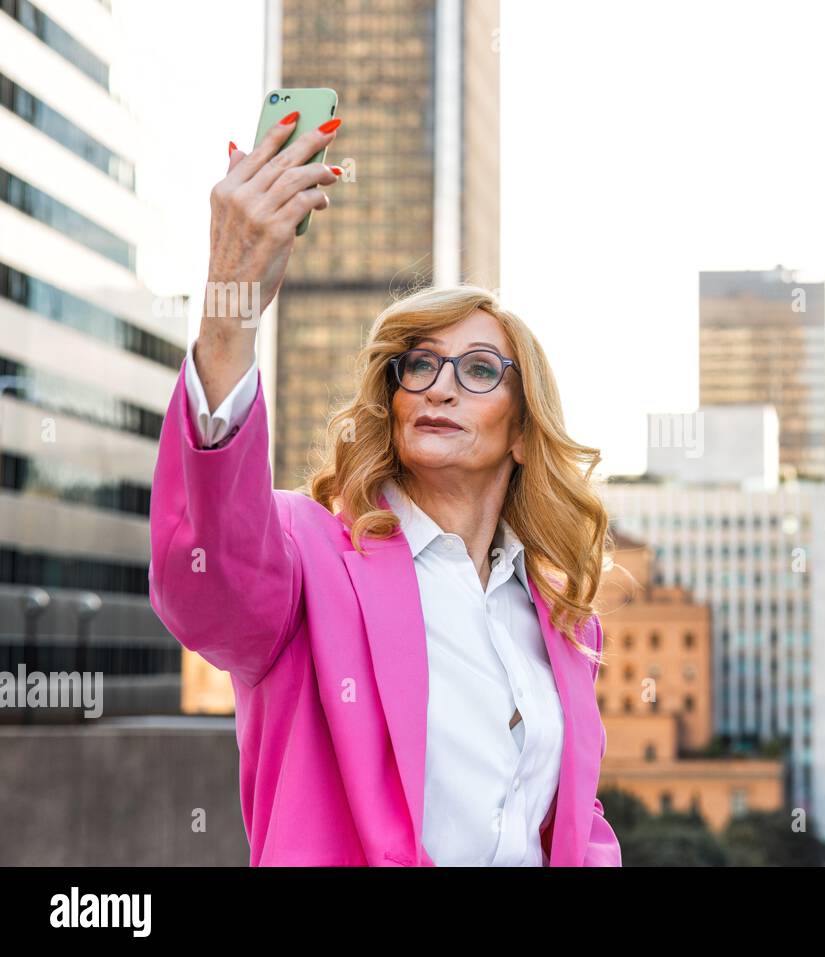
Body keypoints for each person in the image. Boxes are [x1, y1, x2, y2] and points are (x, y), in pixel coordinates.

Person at [148, 109, 619, 866]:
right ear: (393, 398)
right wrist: (230, 301)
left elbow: (576, 826)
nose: (439, 387)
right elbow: (206, 586)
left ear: (524, 431)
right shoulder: (310, 557)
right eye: (419, 365)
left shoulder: (564, 622)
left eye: (477, 371)